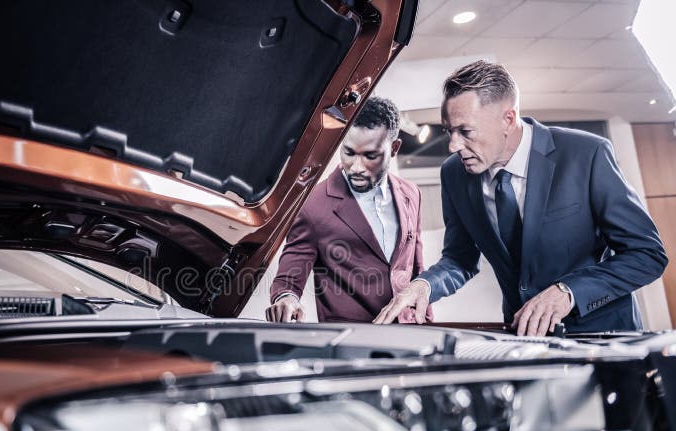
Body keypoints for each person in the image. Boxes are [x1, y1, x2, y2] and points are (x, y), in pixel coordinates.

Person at [374, 60, 667, 335]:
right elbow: (459, 259)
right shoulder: (454, 174)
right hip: (523, 338)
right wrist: (424, 285)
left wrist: (568, 292)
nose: (453, 146)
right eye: (449, 131)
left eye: (466, 131)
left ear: (508, 119)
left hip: (602, 337)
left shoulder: (586, 154)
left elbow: (647, 255)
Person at [266, 96, 431, 323]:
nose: (356, 167)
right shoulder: (313, 203)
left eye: (370, 156)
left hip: (414, 334)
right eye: (349, 152)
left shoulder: (412, 193)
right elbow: (290, 276)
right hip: (352, 341)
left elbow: (417, 269)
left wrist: (427, 321)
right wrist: (286, 298)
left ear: (394, 148)